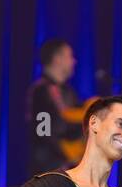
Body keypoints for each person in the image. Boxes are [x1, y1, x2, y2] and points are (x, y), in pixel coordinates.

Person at [25, 38, 82, 177]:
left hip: (68, 170)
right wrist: (66, 153)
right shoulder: (41, 91)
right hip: (47, 172)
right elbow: (42, 132)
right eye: (70, 56)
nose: (74, 61)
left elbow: (75, 125)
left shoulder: (69, 92)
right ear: (58, 59)